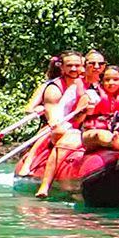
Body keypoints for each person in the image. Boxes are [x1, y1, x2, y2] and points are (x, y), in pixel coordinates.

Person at [34, 51, 91, 196]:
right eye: (69, 66)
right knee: (60, 132)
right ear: (62, 68)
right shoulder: (54, 89)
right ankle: (42, 182)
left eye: (77, 65)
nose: (73, 69)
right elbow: (54, 118)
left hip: (83, 127)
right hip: (62, 127)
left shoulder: (89, 83)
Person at [77, 64, 119, 153]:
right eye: (107, 80)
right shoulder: (90, 96)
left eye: (116, 79)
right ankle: (116, 144)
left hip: (117, 132)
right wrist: (84, 111)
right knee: (100, 135)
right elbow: (76, 121)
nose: (111, 83)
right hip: (91, 134)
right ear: (101, 81)